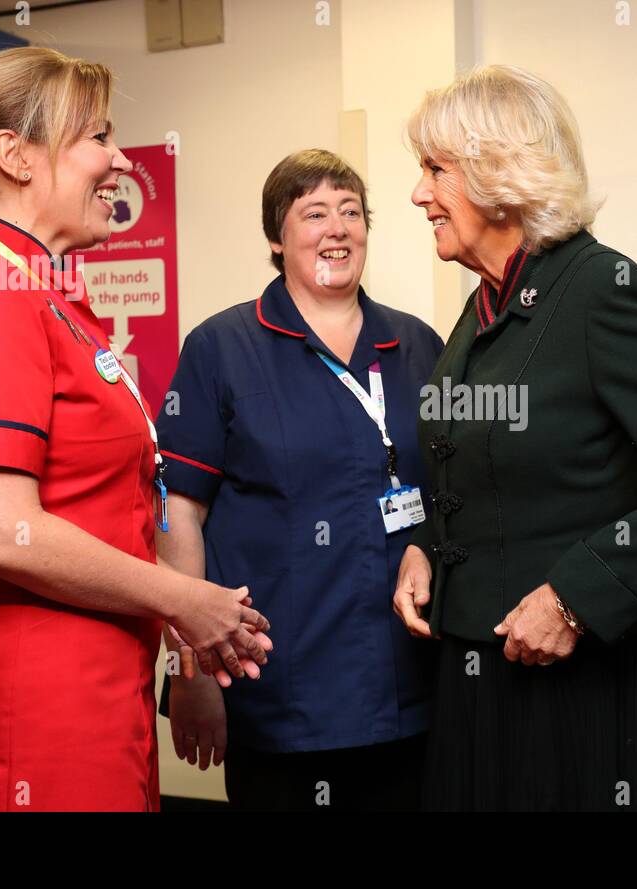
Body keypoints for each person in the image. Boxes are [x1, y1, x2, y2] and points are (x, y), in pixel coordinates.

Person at [0, 46, 269, 811]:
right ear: (16, 156)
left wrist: (182, 651)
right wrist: (182, 601)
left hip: (93, 689)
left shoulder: (45, 295)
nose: (118, 157)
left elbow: (115, 507)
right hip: (27, 710)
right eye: (96, 135)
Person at [394, 66, 637, 811]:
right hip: (479, 674)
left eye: (435, 171)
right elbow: (482, 464)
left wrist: (573, 599)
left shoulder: (601, 293)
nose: (418, 194)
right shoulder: (483, 308)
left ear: (499, 172)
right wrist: (427, 541)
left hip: (585, 690)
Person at [155, 149, 444, 811]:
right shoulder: (222, 348)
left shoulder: (418, 346)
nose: (336, 229)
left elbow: (450, 495)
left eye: (350, 212)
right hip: (281, 687)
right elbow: (178, 513)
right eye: (314, 213)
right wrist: (190, 669)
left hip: (410, 685)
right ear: (276, 237)